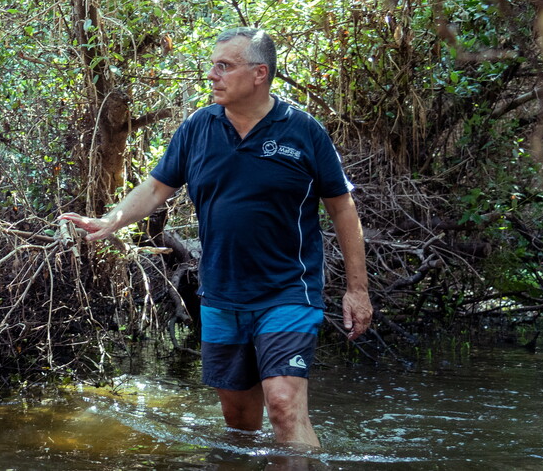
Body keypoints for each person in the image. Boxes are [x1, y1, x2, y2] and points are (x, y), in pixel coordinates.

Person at [60, 27, 373, 450]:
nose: (212, 74)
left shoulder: (303, 131)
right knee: (239, 424)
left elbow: (342, 207)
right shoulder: (197, 129)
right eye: (212, 65)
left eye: (224, 66)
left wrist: (358, 291)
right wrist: (109, 221)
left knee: (283, 405)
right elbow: (154, 189)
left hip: (288, 292)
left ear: (260, 73)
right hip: (222, 294)